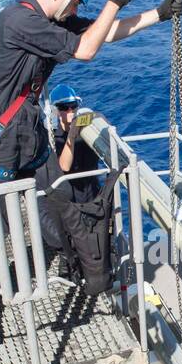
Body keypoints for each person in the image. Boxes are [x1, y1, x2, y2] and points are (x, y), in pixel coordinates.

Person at [0, 0, 182, 346]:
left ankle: (61, 265)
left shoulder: (43, 20)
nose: (78, 10)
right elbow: (86, 50)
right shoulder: (21, 21)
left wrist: (157, 15)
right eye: (77, 2)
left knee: (41, 201)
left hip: (21, 133)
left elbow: (102, 32)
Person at [39, 83, 118, 297]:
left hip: (88, 193)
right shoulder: (51, 141)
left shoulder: (88, 134)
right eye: (64, 108)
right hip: (64, 198)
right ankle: (68, 262)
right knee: (61, 237)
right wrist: (72, 137)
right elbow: (63, 166)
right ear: (55, 112)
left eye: (73, 107)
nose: (70, 113)